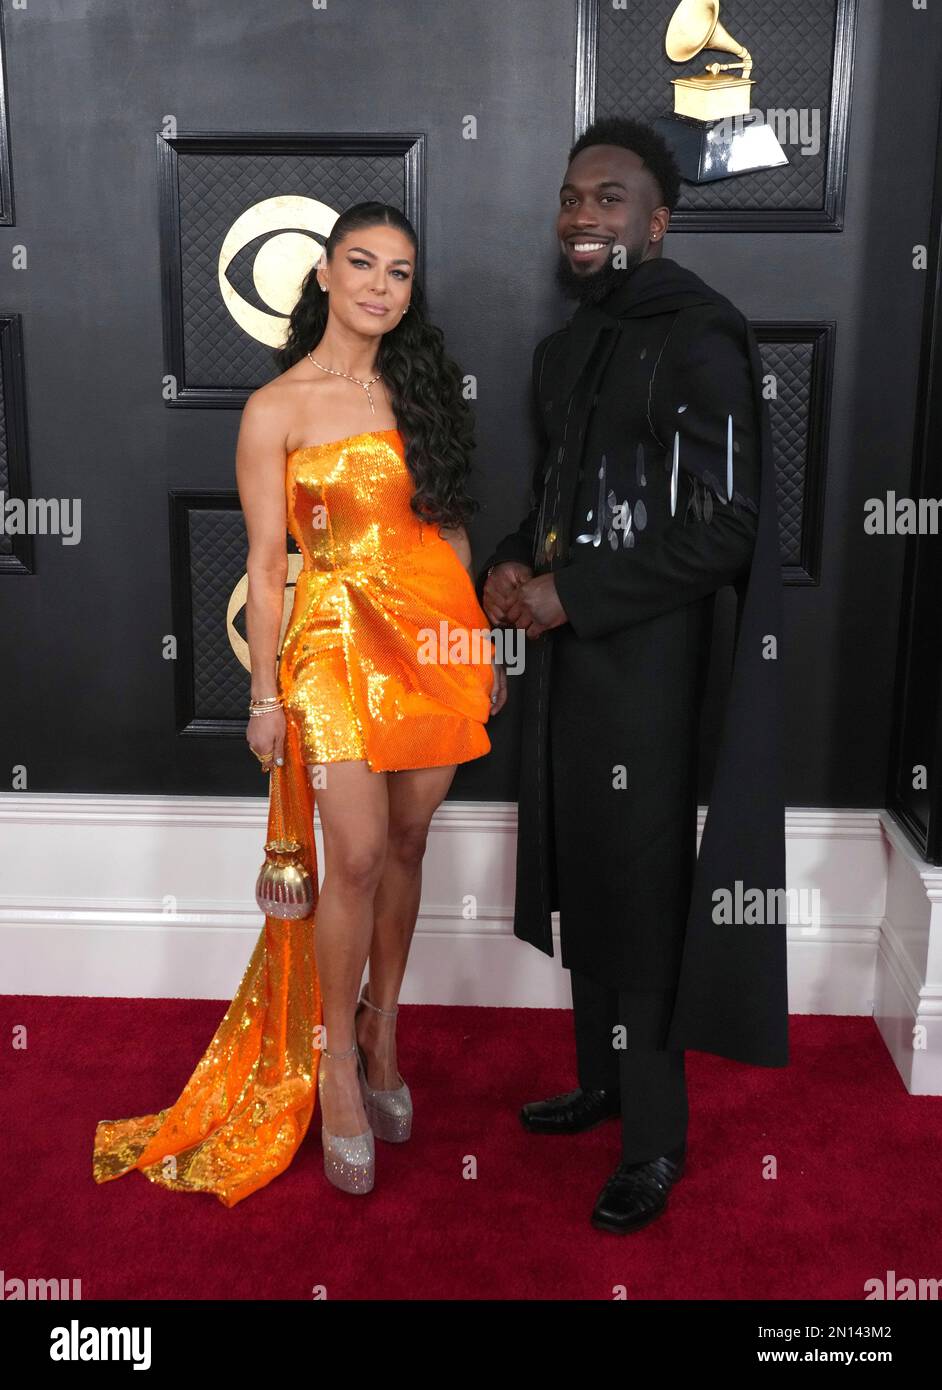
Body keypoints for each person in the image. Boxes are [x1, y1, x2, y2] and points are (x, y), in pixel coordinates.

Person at [92, 202, 503, 1204]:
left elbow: (447, 530)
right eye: (361, 264)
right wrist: (263, 693)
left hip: (428, 639)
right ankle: (331, 1067)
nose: (379, 285)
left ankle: (384, 1026)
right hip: (327, 638)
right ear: (322, 274)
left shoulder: (424, 391)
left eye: (400, 272)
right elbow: (267, 566)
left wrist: (473, 645)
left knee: (408, 844)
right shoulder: (274, 407)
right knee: (354, 853)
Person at [477, 117, 788, 1234]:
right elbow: (557, 500)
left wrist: (576, 596)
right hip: (571, 670)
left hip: (652, 669)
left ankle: (654, 1139)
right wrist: (512, 560)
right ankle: (604, 1083)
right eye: (571, 197)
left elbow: (735, 524)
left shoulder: (703, 335)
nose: (582, 217)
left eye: (608, 199)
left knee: (643, 895)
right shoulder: (564, 352)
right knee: (585, 871)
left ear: (658, 220)